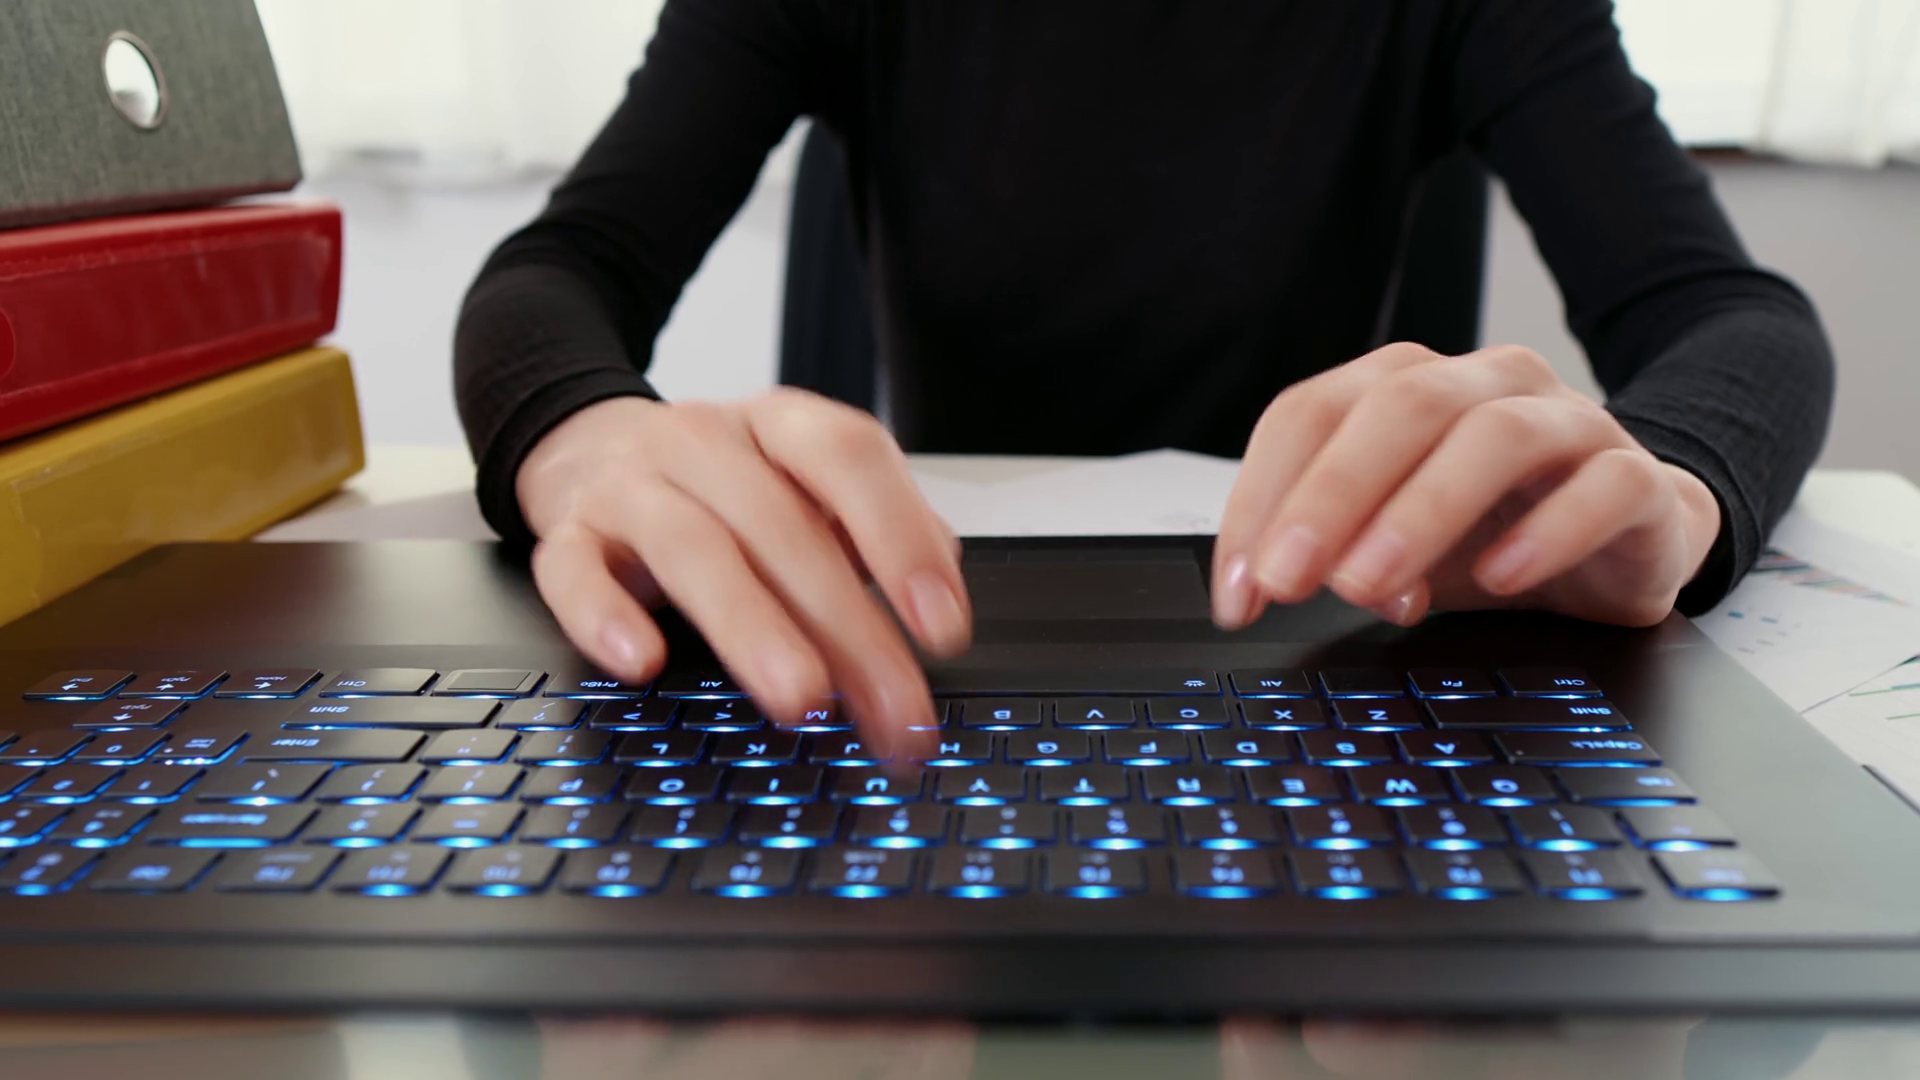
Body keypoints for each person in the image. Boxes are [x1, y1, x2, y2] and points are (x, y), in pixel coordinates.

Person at [454, 1, 1832, 756]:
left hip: (1323, 687)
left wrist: (1673, 495)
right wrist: (589, 440)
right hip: (930, 673)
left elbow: (1730, 317)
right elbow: (563, 270)